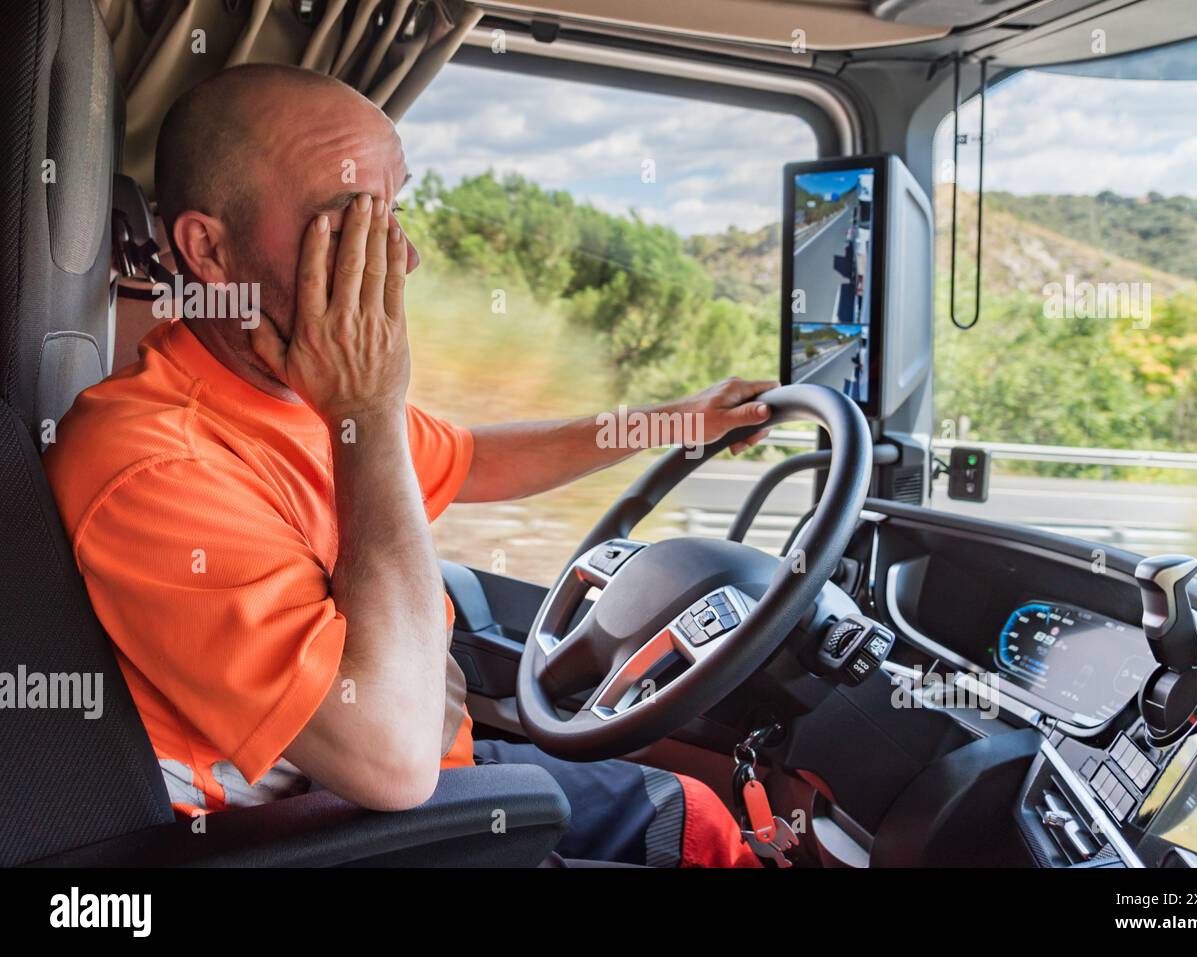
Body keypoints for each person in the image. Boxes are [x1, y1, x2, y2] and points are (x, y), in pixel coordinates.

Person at [43, 64, 773, 867]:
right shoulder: (154, 465)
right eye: (350, 220)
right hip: (340, 836)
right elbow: (391, 757)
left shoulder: (285, 391)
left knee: (698, 816)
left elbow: (475, 459)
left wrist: (677, 420)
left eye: (395, 211)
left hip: (428, 788)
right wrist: (367, 411)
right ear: (209, 250)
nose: (407, 258)